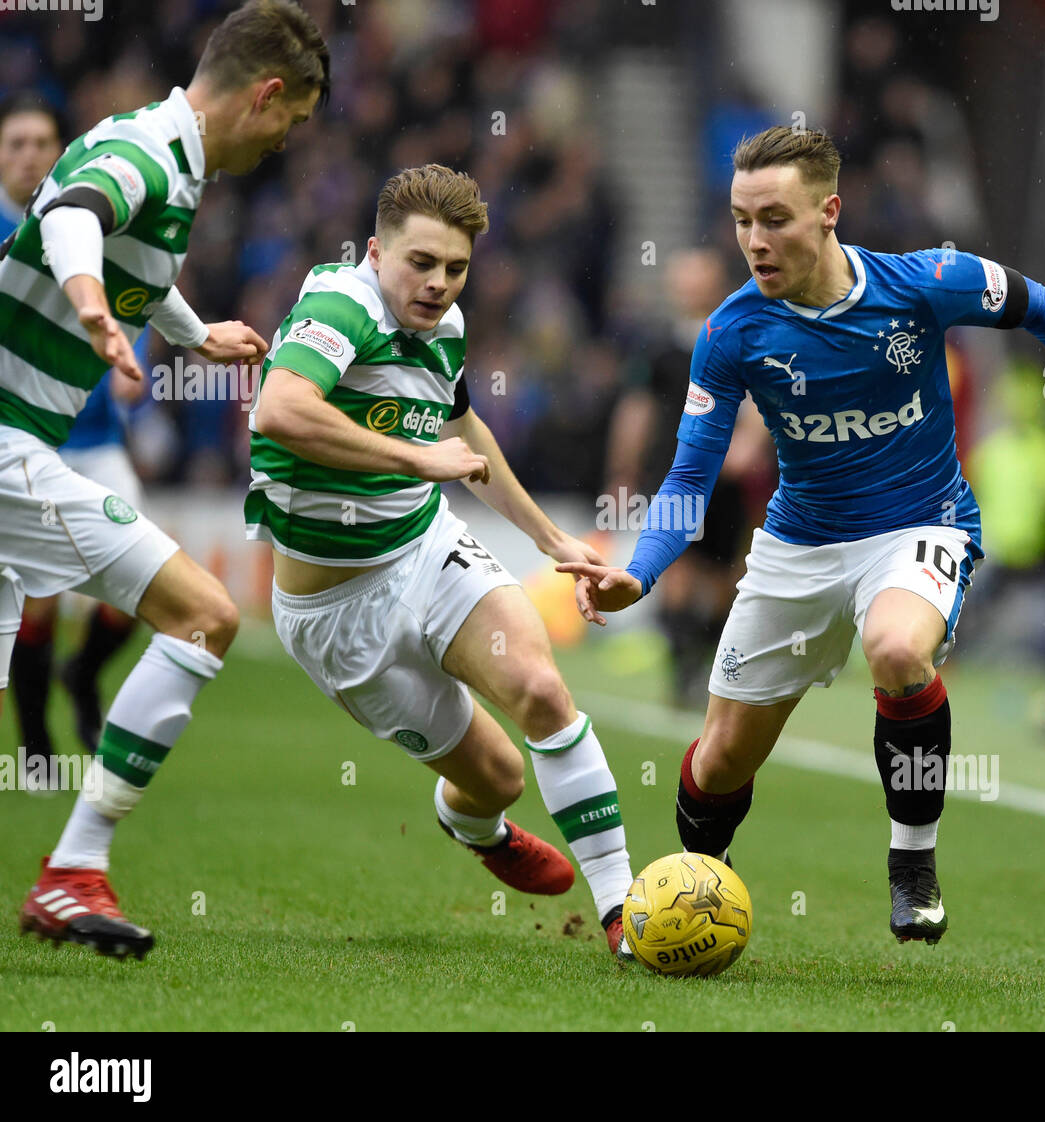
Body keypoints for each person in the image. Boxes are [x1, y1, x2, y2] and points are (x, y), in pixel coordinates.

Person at [558, 126, 1045, 946]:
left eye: (776, 218)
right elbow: (689, 479)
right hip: (798, 545)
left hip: (917, 525)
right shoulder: (730, 333)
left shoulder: (927, 281)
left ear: (829, 212)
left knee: (899, 652)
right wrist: (638, 574)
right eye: (742, 218)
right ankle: (694, 895)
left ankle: (913, 862)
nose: (755, 240)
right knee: (719, 763)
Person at [245, 164, 635, 958]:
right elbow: (280, 409)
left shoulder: (446, 327)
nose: (438, 284)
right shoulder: (340, 306)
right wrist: (408, 458)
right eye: (421, 263)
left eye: (455, 268)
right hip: (334, 614)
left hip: (422, 548)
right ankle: (477, 827)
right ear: (375, 251)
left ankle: (626, 913)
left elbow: (463, 432)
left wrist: (550, 538)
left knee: (539, 689)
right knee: (497, 778)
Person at [9, 0, 329, 959]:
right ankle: (73, 871)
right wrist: (94, 313)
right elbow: (72, 217)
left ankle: (67, 876)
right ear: (266, 94)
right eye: (293, 121)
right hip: (8, 438)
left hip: (19, 434)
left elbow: (116, 238)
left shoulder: (164, 158)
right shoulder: (149, 155)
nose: (286, 143)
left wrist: (192, 332)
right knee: (205, 613)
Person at [0, 93, 149, 785]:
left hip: (96, 440)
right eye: (16, 142)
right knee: (39, 596)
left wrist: (132, 351)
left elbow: (130, 295)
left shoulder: (85, 215)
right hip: (30, 440)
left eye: (41, 143)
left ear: (60, 152)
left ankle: (82, 676)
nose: (30, 154)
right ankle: (35, 750)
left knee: (144, 581)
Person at [604, 248, 773, 707]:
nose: (687, 285)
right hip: (674, 472)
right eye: (681, 276)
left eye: (697, 275)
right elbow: (636, 408)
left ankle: (705, 665)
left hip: (728, 479)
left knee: (722, 579)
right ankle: (681, 673)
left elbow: (760, 397)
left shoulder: (736, 336)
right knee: (677, 570)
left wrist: (749, 445)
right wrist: (623, 467)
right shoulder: (657, 347)